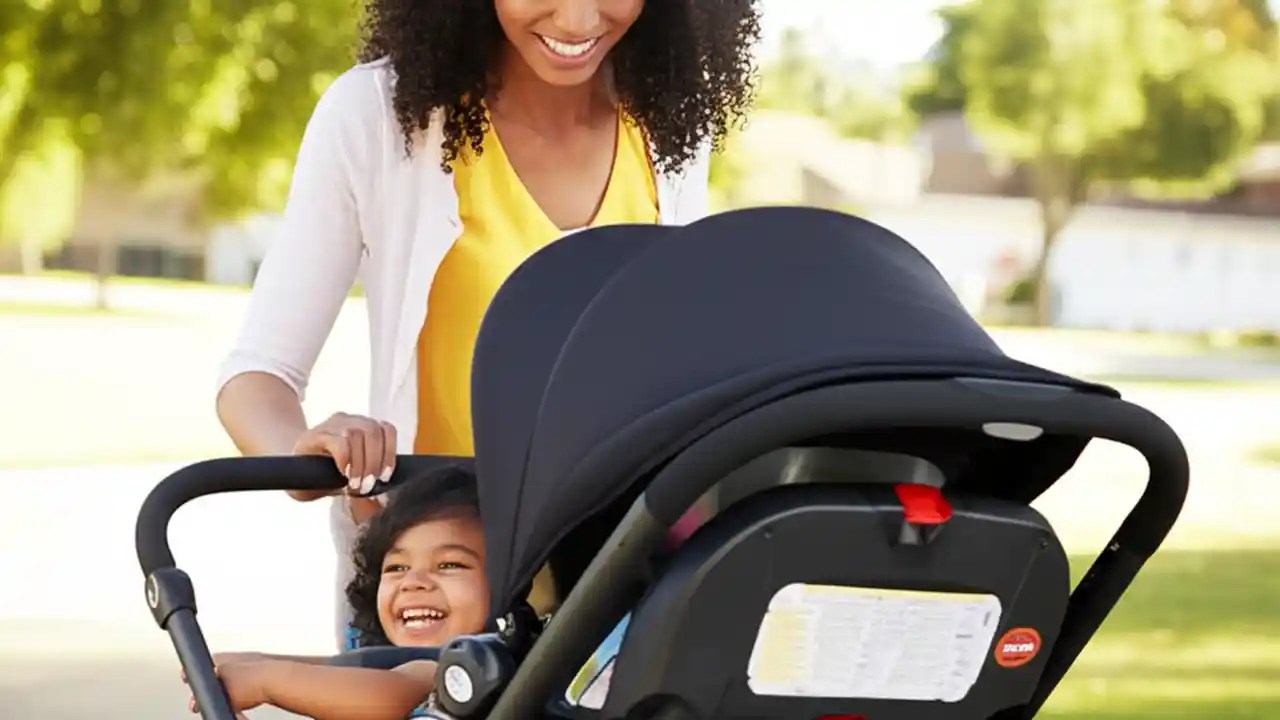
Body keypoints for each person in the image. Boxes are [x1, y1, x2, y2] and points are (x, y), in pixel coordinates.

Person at [214, 0, 761, 648]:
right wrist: (303, 455)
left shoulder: (668, 126)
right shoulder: (379, 117)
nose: (579, 20)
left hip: (608, 608)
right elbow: (257, 375)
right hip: (434, 617)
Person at [190, 467, 487, 719]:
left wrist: (265, 680)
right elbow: (359, 666)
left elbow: (386, 691)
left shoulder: (464, 666)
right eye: (396, 568)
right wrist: (256, 660)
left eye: (450, 564)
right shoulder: (400, 662)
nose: (413, 582)